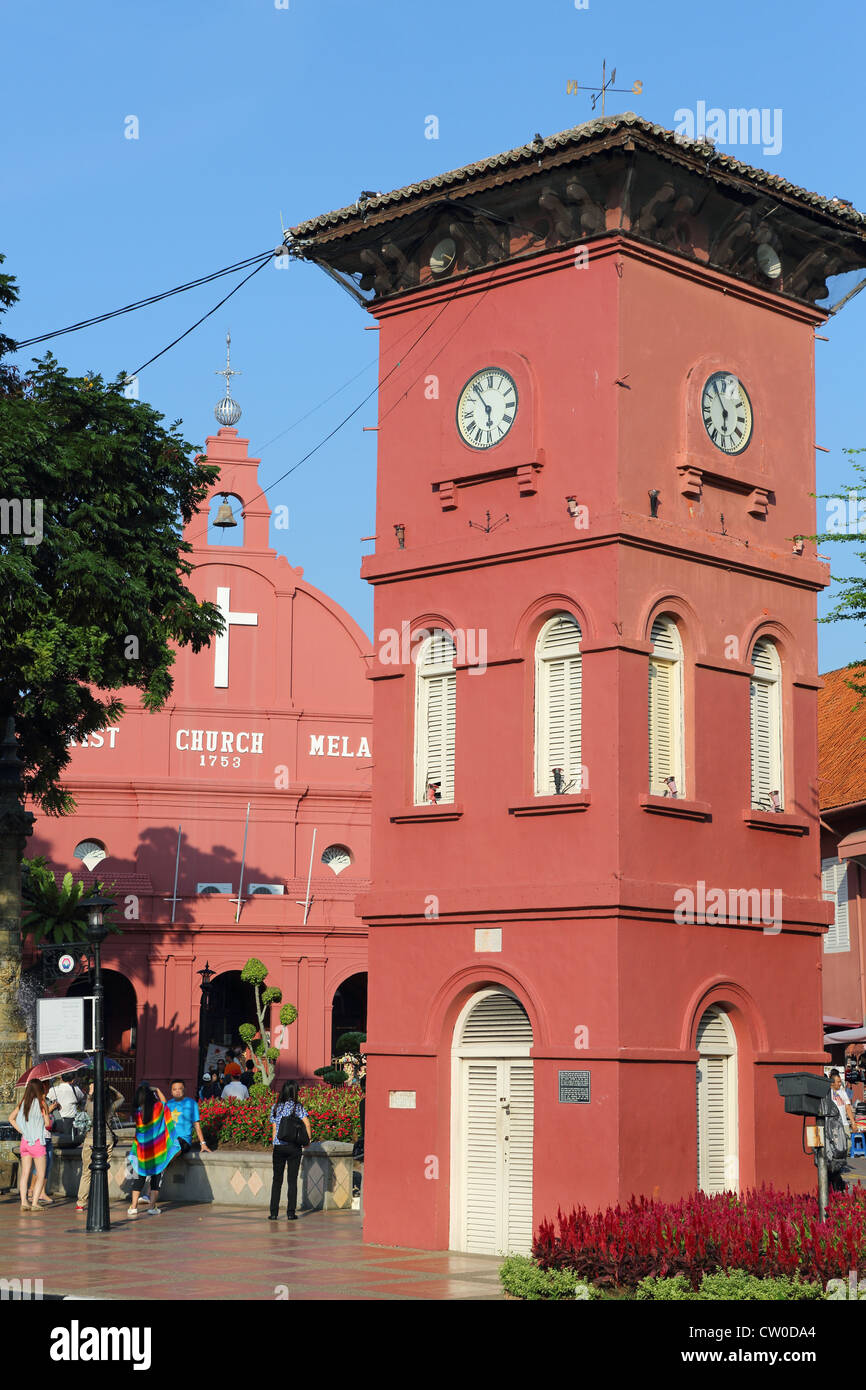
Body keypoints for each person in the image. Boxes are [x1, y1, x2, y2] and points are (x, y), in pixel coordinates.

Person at [127, 1084, 180, 1217]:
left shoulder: (137, 1111)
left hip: (142, 1150)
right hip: (157, 1150)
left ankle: (133, 1207)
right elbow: (165, 1103)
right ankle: (152, 1207)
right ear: (152, 1095)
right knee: (156, 1178)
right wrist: (158, 1089)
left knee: (139, 1178)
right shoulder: (159, 1108)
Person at [75, 1079, 124, 1213]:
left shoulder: (90, 1104)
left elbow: (84, 1108)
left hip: (90, 1140)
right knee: (103, 1171)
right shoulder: (111, 1106)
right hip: (107, 1140)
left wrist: (91, 1093)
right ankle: (100, 1199)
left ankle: (81, 1202)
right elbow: (122, 1097)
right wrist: (111, 1088)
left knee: (86, 1172)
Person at [269, 1081, 311, 1221]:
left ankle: (273, 1213)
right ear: (294, 1092)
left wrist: (274, 1144)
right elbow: (307, 1123)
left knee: (277, 1180)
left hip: (279, 1147)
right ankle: (291, 1213)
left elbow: (274, 1129)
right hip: (294, 1147)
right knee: (292, 1180)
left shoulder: (275, 1107)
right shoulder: (297, 1107)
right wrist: (307, 1141)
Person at [9, 1079, 51, 1212]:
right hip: (37, 1143)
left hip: (25, 1142)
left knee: (25, 1174)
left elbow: (11, 1118)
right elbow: (47, 1124)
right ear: (40, 1090)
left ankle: (24, 1202)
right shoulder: (42, 1103)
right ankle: (35, 1203)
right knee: (40, 1174)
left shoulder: (23, 1103)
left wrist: (22, 1130)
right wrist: (47, 1113)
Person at [165, 1080, 210, 1155]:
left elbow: (196, 1125)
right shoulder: (168, 1104)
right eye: (174, 1089)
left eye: (180, 1089)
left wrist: (203, 1143)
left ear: (184, 1090)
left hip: (183, 1140)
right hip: (168, 1139)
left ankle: (164, 1166)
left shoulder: (192, 1103)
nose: (177, 1091)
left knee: (172, 1151)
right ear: (171, 1092)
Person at [46, 1072, 85, 1140]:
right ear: (73, 1080)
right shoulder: (76, 1089)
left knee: (59, 1139)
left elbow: (47, 1099)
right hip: (72, 1119)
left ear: (61, 1078)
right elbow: (81, 1097)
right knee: (71, 1140)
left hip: (57, 1119)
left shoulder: (53, 1090)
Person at [829, 1069, 857, 1136]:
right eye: (838, 1082)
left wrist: (853, 1123)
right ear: (832, 1082)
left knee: (848, 1144)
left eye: (840, 1082)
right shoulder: (828, 1093)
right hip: (832, 1125)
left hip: (844, 1124)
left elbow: (848, 1108)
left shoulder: (843, 1092)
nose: (840, 1084)